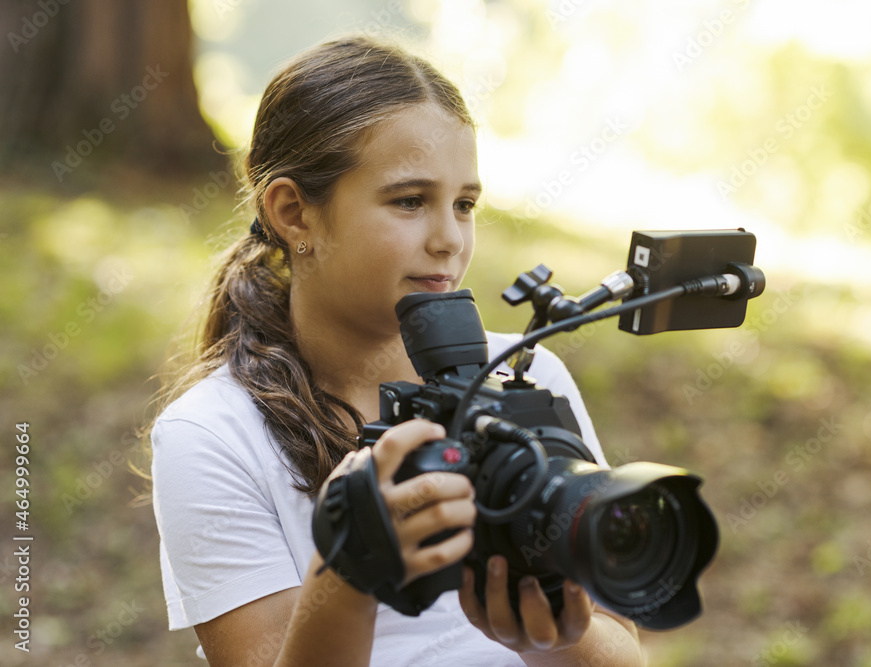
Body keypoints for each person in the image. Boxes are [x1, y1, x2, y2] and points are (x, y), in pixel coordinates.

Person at [148, 34, 645, 666]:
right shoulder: (213, 435)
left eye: (464, 204)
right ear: (294, 213)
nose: (449, 239)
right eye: (409, 201)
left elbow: (623, 651)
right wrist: (349, 573)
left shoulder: (525, 376)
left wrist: (549, 637)